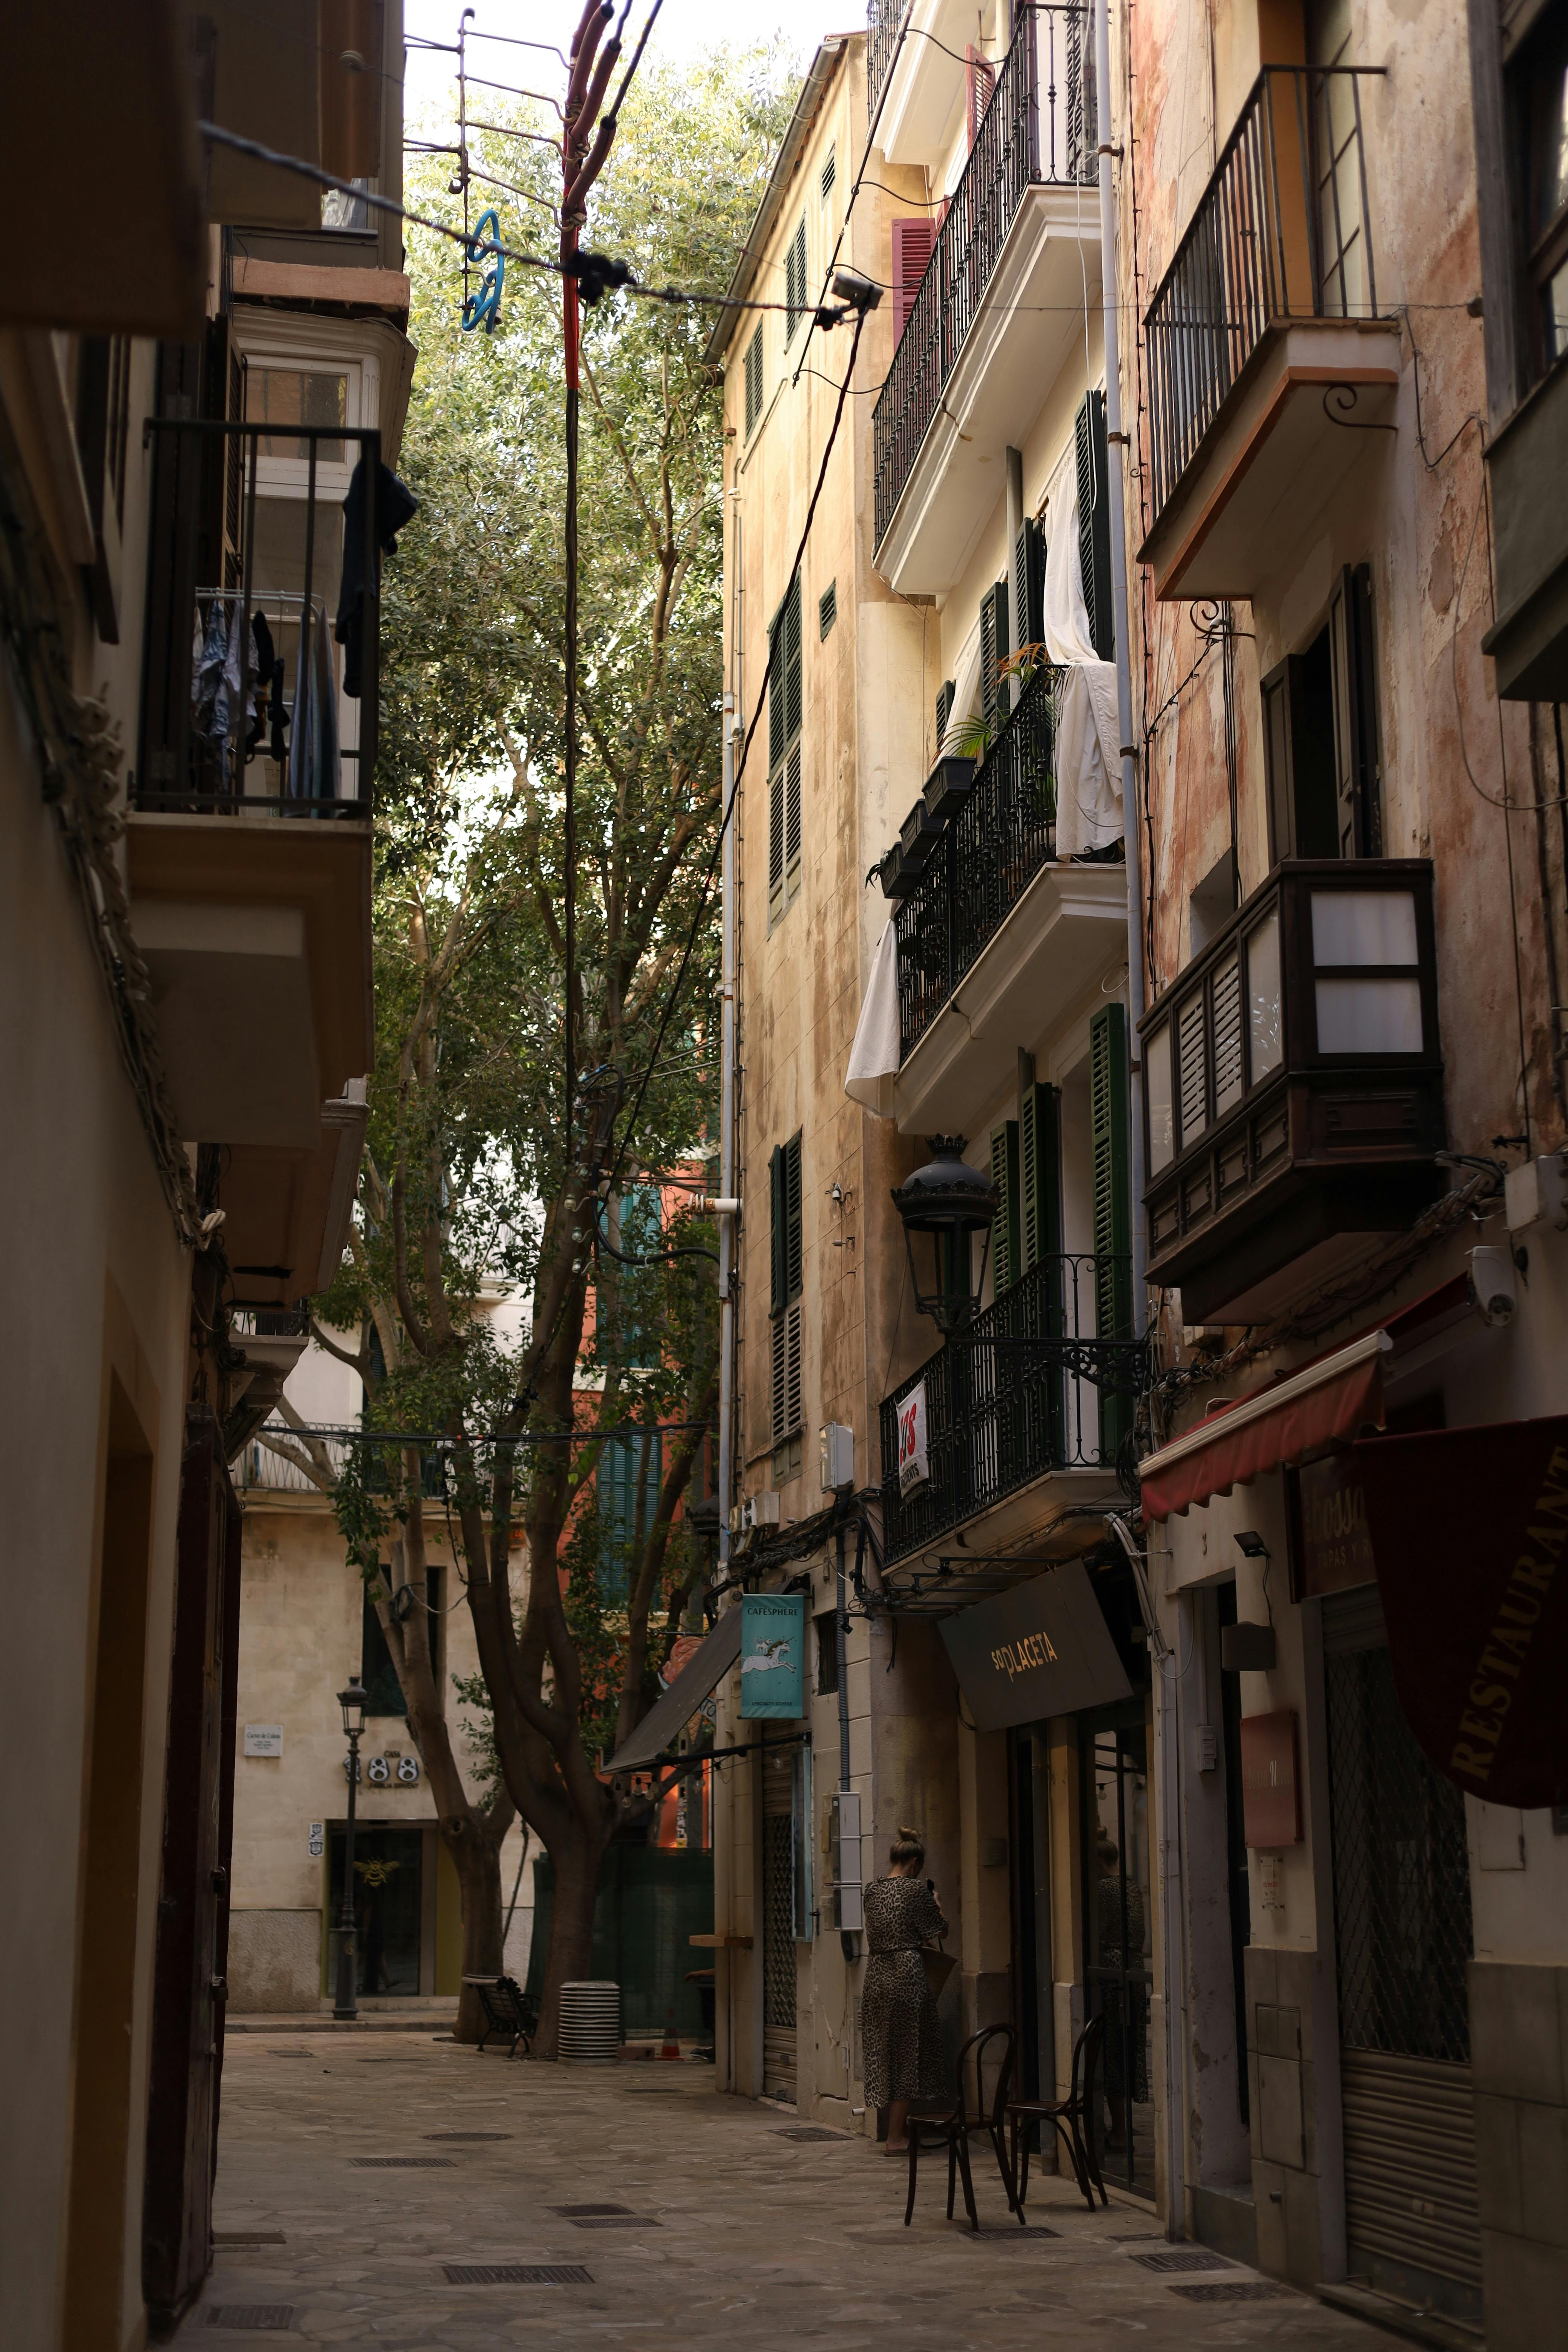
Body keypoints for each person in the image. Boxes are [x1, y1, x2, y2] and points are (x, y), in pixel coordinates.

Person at [862, 1825, 948, 2154]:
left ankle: (895, 2131)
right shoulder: (915, 1891)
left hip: (877, 1975)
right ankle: (896, 2137)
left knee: (887, 2053)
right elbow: (941, 1930)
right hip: (907, 1975)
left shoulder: (872, 1890)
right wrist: (936, 1902)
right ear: (914, 1863)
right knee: (909, 2054)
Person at [1096, 1834, 1147, 2151]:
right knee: (1129, 2047)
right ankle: (1120, 2125)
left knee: (1113, 2050)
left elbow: (1095, 1931)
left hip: (1112, 1972)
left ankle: (1119, 2130)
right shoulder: (1131, 1886)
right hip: (1134, 1968)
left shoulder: (1103, 1890)